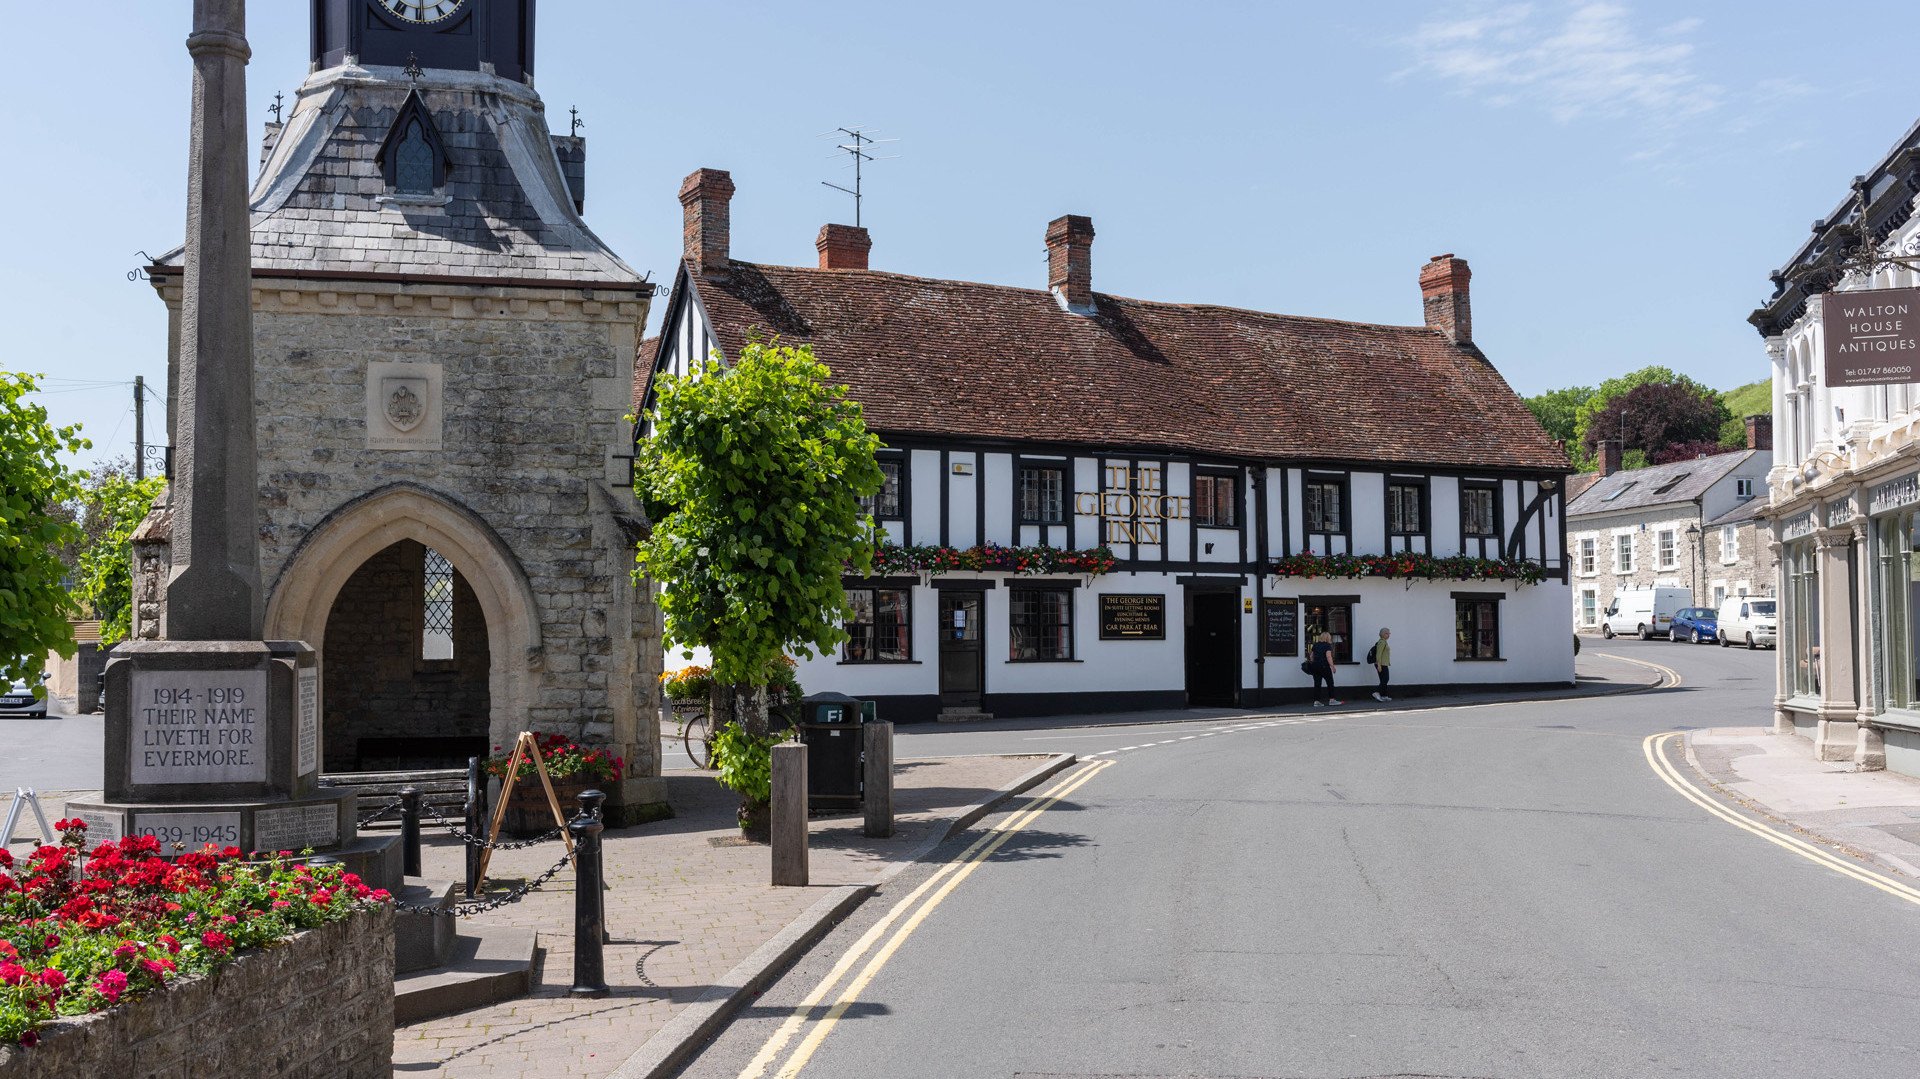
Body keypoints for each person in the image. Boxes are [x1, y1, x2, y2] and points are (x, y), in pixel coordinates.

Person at [1309, 631, 1341, 707]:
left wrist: (1315, 662)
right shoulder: (1327, 646)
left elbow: (1311, 656)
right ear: (1328, 638)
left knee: (1317, 684)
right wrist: (1332, 666)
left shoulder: (1315, 645)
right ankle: (1332, 700)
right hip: (1324, 666)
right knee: (1330, 682)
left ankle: (1316, 701)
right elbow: (1328, 656)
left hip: (1315, 666)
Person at [1367, 627, 1392, 702]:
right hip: (1381, 664)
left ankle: (1384, 695)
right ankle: (1376, 692)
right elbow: (1378, 654)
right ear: (1382, 634)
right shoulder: (1382, 642)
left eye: (1389, 633)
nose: (1389, 635)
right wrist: (1379, 665)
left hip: (1383, 663)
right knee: (1385, 679)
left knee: (1383, 680)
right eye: (1387, 633)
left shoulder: (1384, 642)